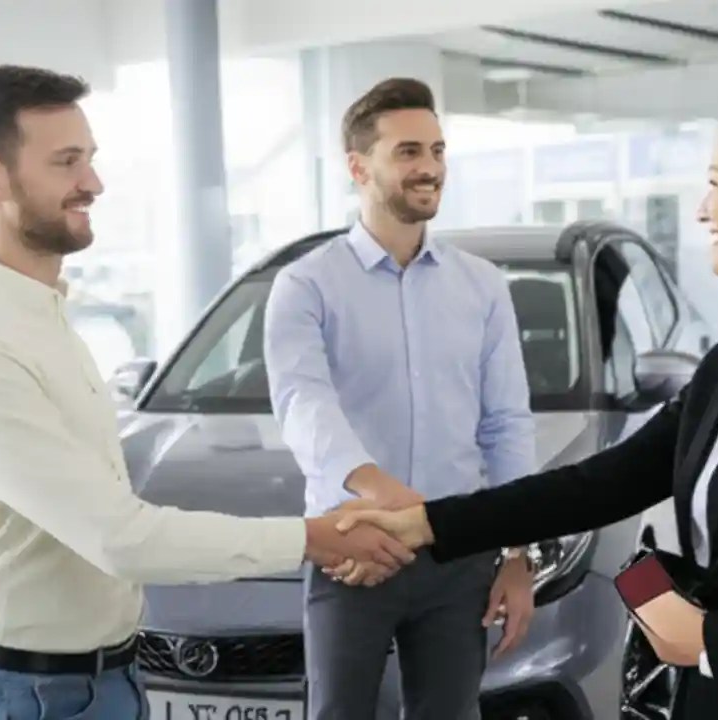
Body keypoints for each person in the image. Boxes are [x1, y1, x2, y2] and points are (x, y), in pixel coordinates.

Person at [336, 87, 718, 719]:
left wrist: (710, 640)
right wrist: (429, 524)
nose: (701, 210)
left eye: (716, 181)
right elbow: (596, 486)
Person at [0, 65, 415, 720]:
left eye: (89, 159)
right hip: (28, 698)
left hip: (106, 679)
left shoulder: (41, 317)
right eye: (66, 163)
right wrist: (313, 538)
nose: (93, 182)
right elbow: (120, 537)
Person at [263, 77, 539, 720]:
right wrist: (383, 497)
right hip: (353, 552)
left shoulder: (483, 287)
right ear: (359, 167)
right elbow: (303, 406)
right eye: (410, 151)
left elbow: (506, 425)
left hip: (457, 555)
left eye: (438, 151)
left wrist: (517, 554)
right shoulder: (305, 285)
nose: (431, 168)